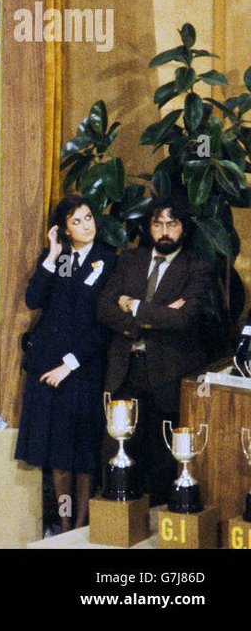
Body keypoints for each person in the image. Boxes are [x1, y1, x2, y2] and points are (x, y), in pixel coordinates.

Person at [96, 197, 210, 507]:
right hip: (125, 368)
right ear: (149, 227)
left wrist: (133, 306)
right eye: (158, 223)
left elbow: (183, 319)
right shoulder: (129, 260)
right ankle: (118, 522)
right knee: (118, 450)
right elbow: (104, 309)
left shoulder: (196, 267)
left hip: (167, 373)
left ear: (183, 229)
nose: (164, 231)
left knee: (162, 459)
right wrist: (148, 320)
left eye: (172, 224)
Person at [15, 195, 117, 532]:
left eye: (89, 217)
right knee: (58, 457)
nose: (86, 225)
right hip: (48, 365)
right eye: (77, 221)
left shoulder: (108, 260)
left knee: (83, 456)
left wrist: (70, 365)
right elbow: (34, 300)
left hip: (82, 368)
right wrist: (53, 254)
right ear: (64, 229)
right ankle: (64, 523)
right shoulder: (58, 258)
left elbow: (103, 323)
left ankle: (83, 525)